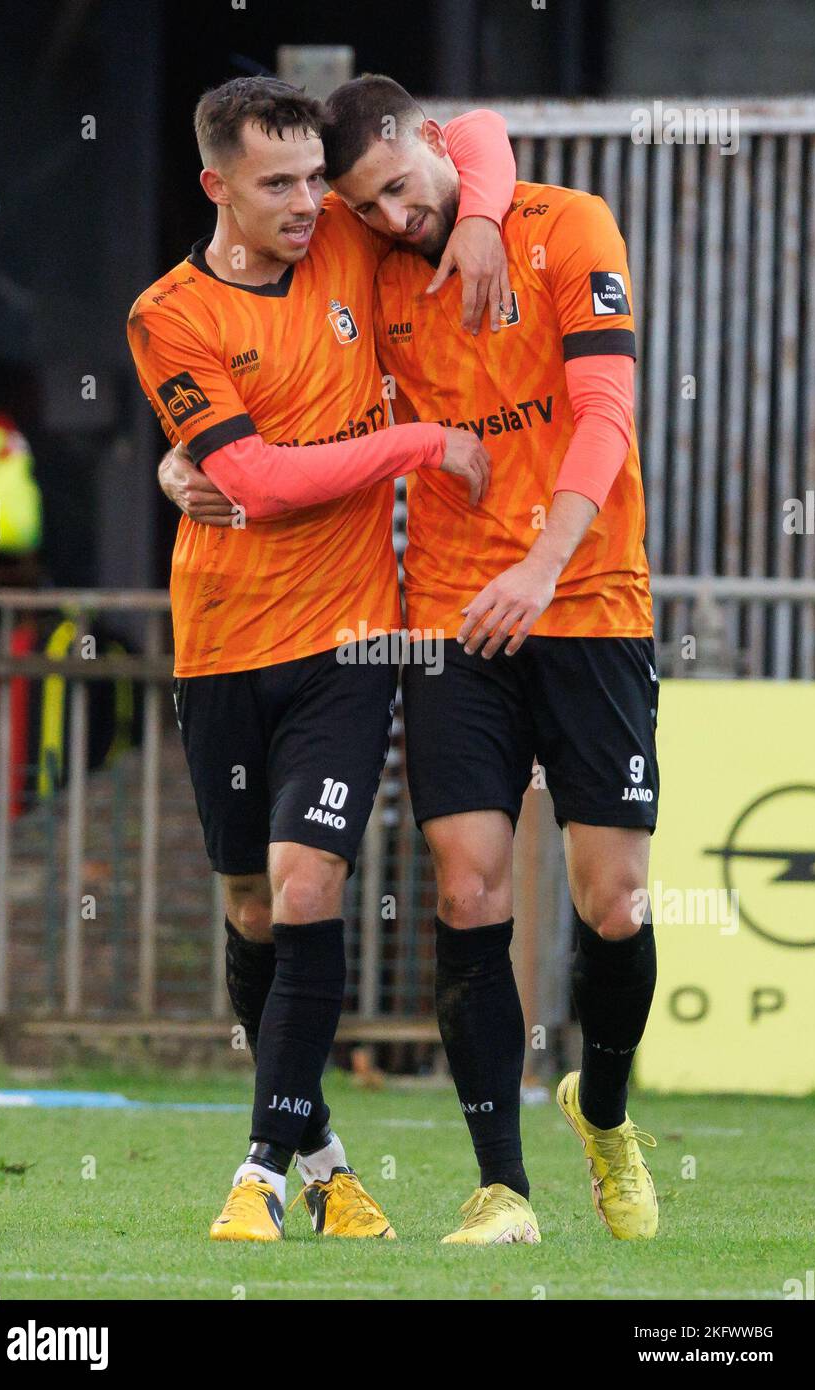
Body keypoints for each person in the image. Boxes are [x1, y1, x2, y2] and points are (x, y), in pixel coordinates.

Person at [128, 75, 515, 1243]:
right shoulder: (168, 317)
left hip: (347, 641)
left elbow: (477, 133)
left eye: (314, 179)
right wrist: (419, 443)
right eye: (279, 184)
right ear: (217, 188)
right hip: (220, 643)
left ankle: (254, 1175)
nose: (311, 204)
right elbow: (251, 484)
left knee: (307, 887)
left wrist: (487, 219)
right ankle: (328, 1164)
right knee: (251, 908)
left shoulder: (347, 234)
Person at [319, 74, 660, 1246]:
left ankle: (602, 1115)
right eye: (368, 209)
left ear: (429, 145)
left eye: (403, 193)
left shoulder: (567, 225)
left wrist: (543, 566)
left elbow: (607, 416)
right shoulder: (374, 258)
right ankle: (499, 1188)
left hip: (589, 599)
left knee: (612, 902)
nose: (394, 221)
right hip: (457, 617)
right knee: (466, 885)